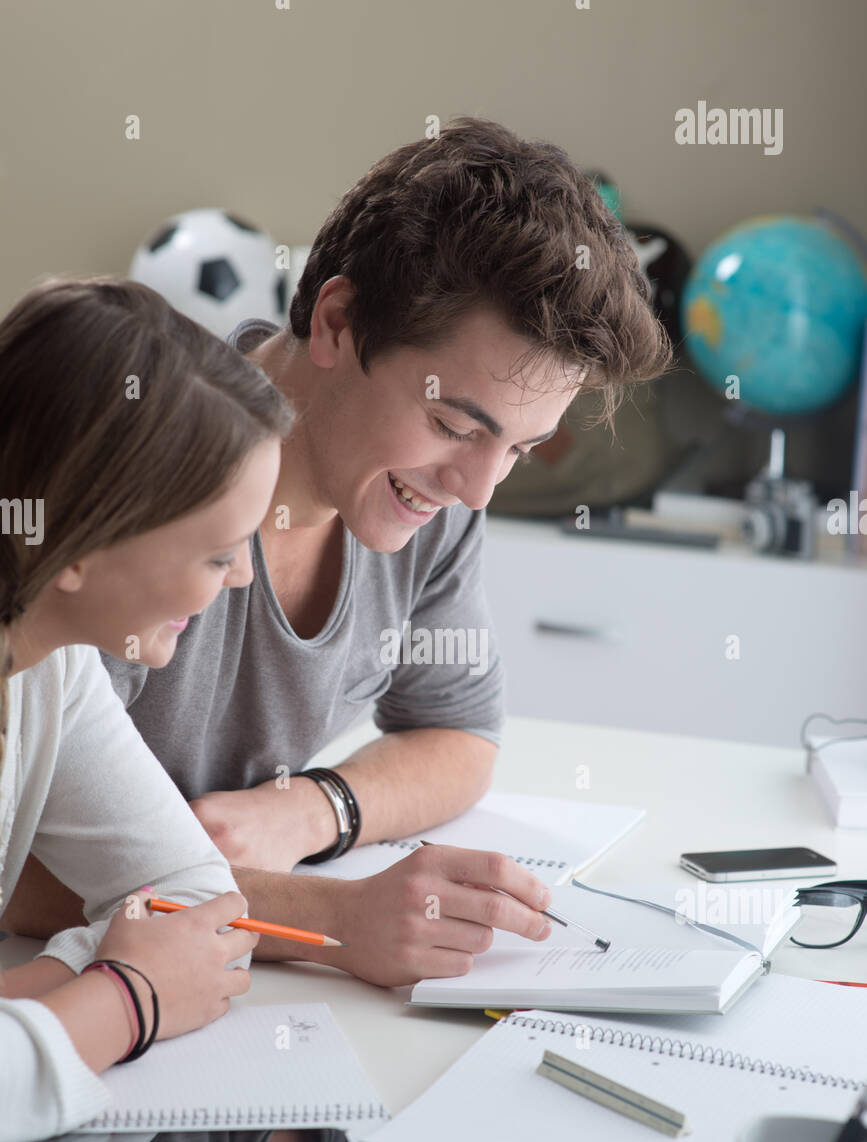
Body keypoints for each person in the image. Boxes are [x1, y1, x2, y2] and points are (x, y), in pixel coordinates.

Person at [3, 117, 671, 989]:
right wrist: (332, 921)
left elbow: (459, 731)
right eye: (452, 425)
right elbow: (27, 868)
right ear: (338, 320)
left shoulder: (426, 496)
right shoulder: (139, 486)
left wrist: (319, 807)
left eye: (516, 448)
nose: (476, 490)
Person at [0, 276, 290, 1142]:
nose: (242, 575)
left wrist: (43, 998)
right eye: (216, 552)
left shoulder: (51, 665)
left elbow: (197, 902)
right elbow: (162, 961)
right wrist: (126, 999)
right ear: (79, 547)